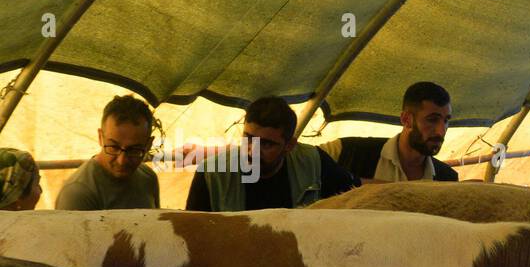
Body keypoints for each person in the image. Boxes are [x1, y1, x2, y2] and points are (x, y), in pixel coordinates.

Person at [186, 96, 358, 212]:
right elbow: (189, 234)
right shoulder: (211, 173)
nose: (252, 151)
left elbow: (357, 191)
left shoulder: (313, 161)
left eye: (267, 144)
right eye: (249, 137)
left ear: (289, 145)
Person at [326, 82, 459, 183]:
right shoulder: (348, 151)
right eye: (432, 120)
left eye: (446, 121)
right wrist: (358, 184)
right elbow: (307, 159)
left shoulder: (447, 178)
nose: (441, 131)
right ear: (406, 120)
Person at [56, 95, 160, 210]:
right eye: (114, 147)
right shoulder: (78, 193)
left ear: (148, 145)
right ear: (100, 137)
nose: (122, 161)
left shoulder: (148, 178)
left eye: (134, 150)